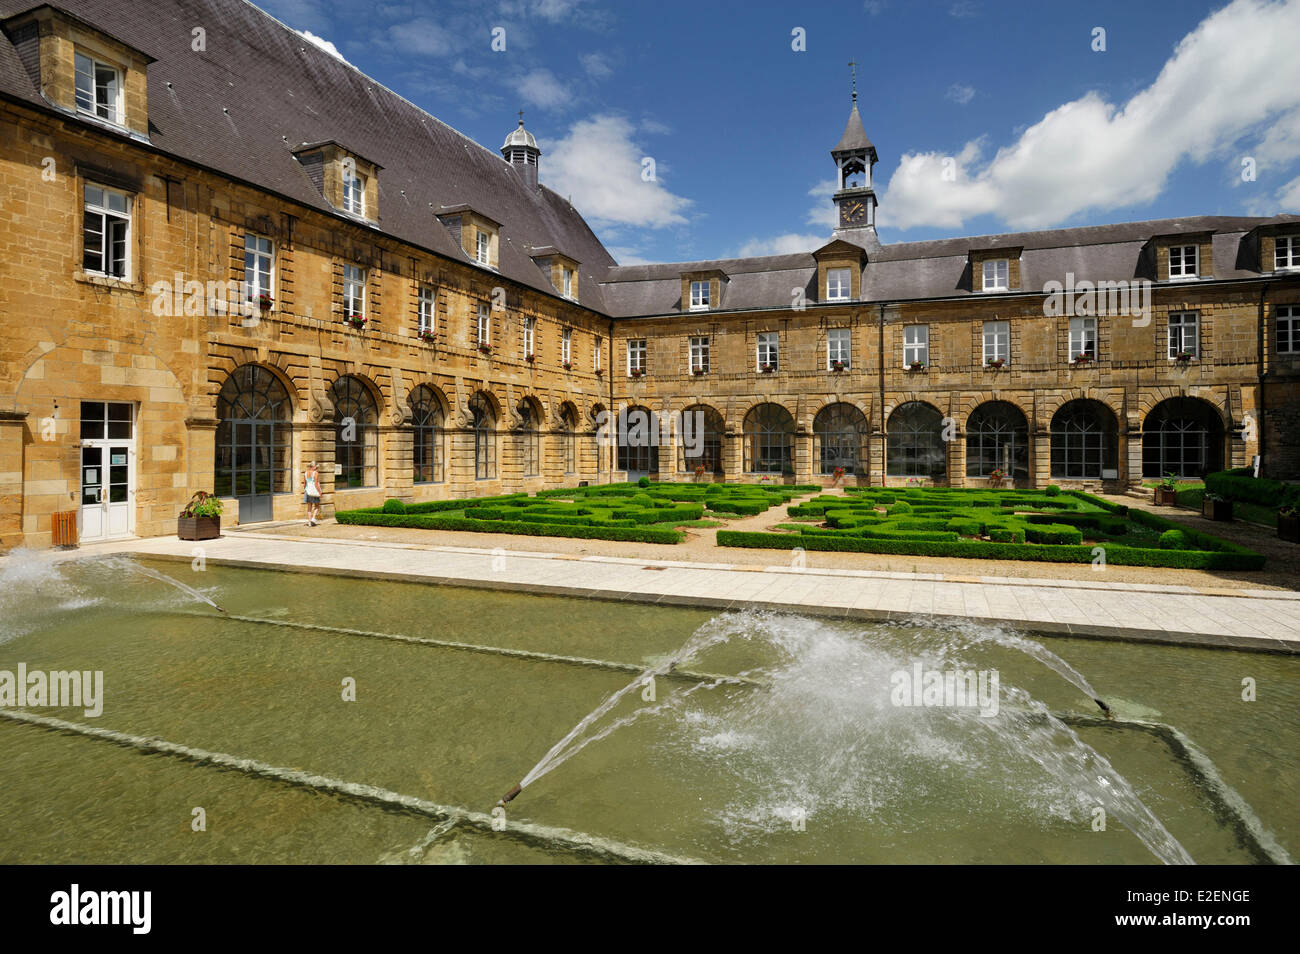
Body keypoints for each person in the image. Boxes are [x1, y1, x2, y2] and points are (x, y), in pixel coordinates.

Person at [303, 462, 321, 526]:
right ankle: (313, 519)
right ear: (315, 467)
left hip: (307, 491)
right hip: (314, 491)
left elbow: (304, 484)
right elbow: (316, 484)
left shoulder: (305, 473)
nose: (317, 469)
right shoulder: (315, 473)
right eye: (317, 467)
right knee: (317, 506)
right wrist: (320, 492)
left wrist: (306, 490)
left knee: (309, 507)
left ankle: (309, 522)